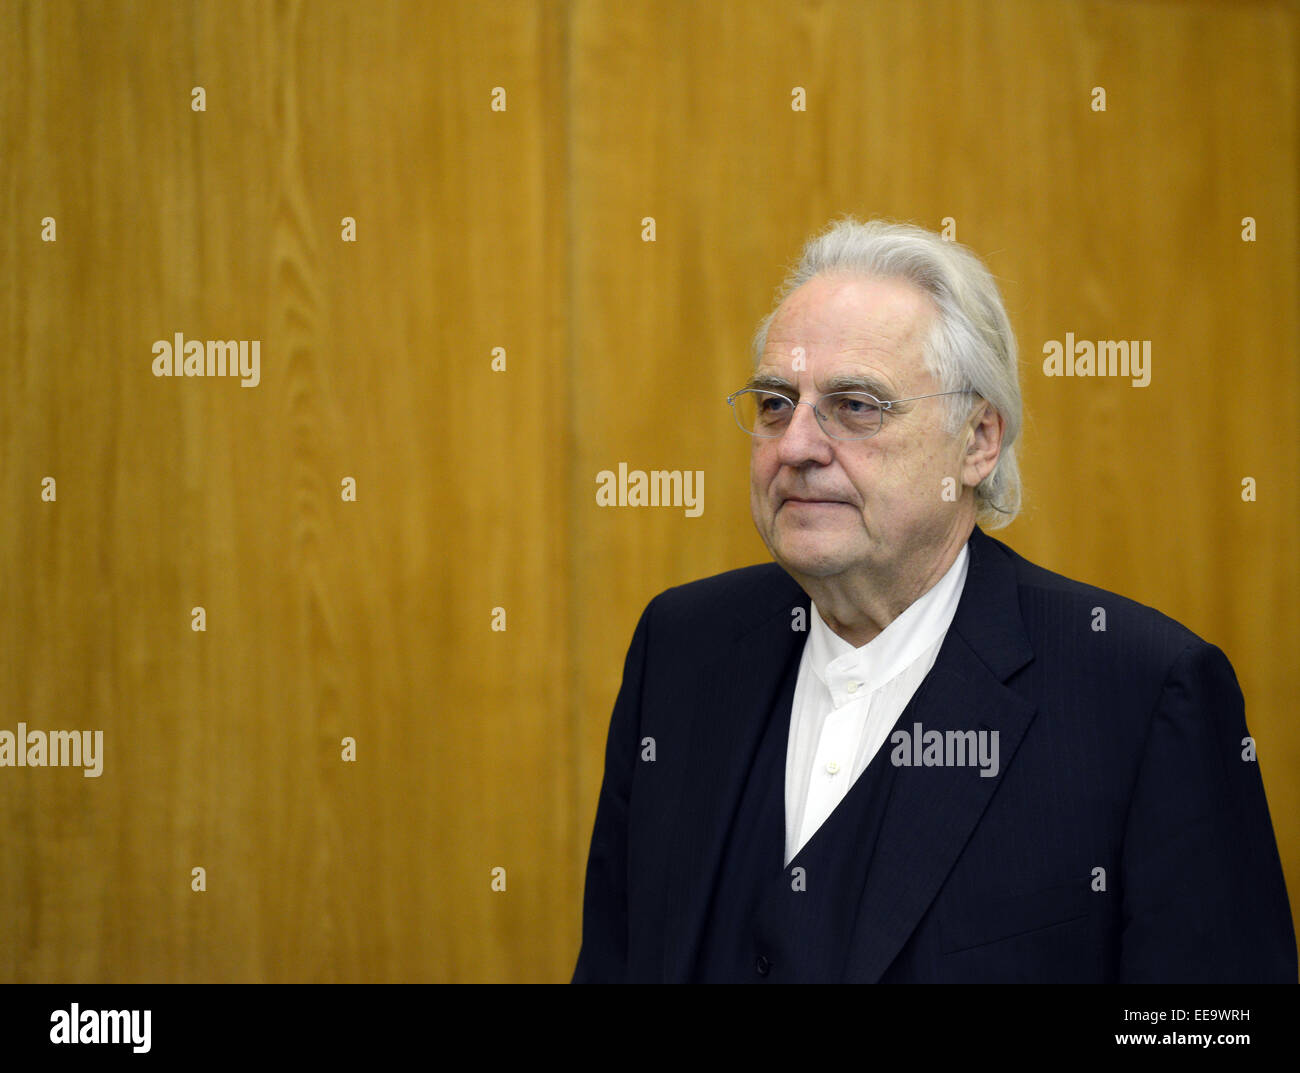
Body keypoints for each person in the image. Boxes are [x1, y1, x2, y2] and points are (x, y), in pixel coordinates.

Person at [572, 217, 1296, 983]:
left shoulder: (1143, 694)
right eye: (777, 403)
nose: (795, 446)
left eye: (855, 405)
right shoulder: (683, 650)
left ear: (978, 440)